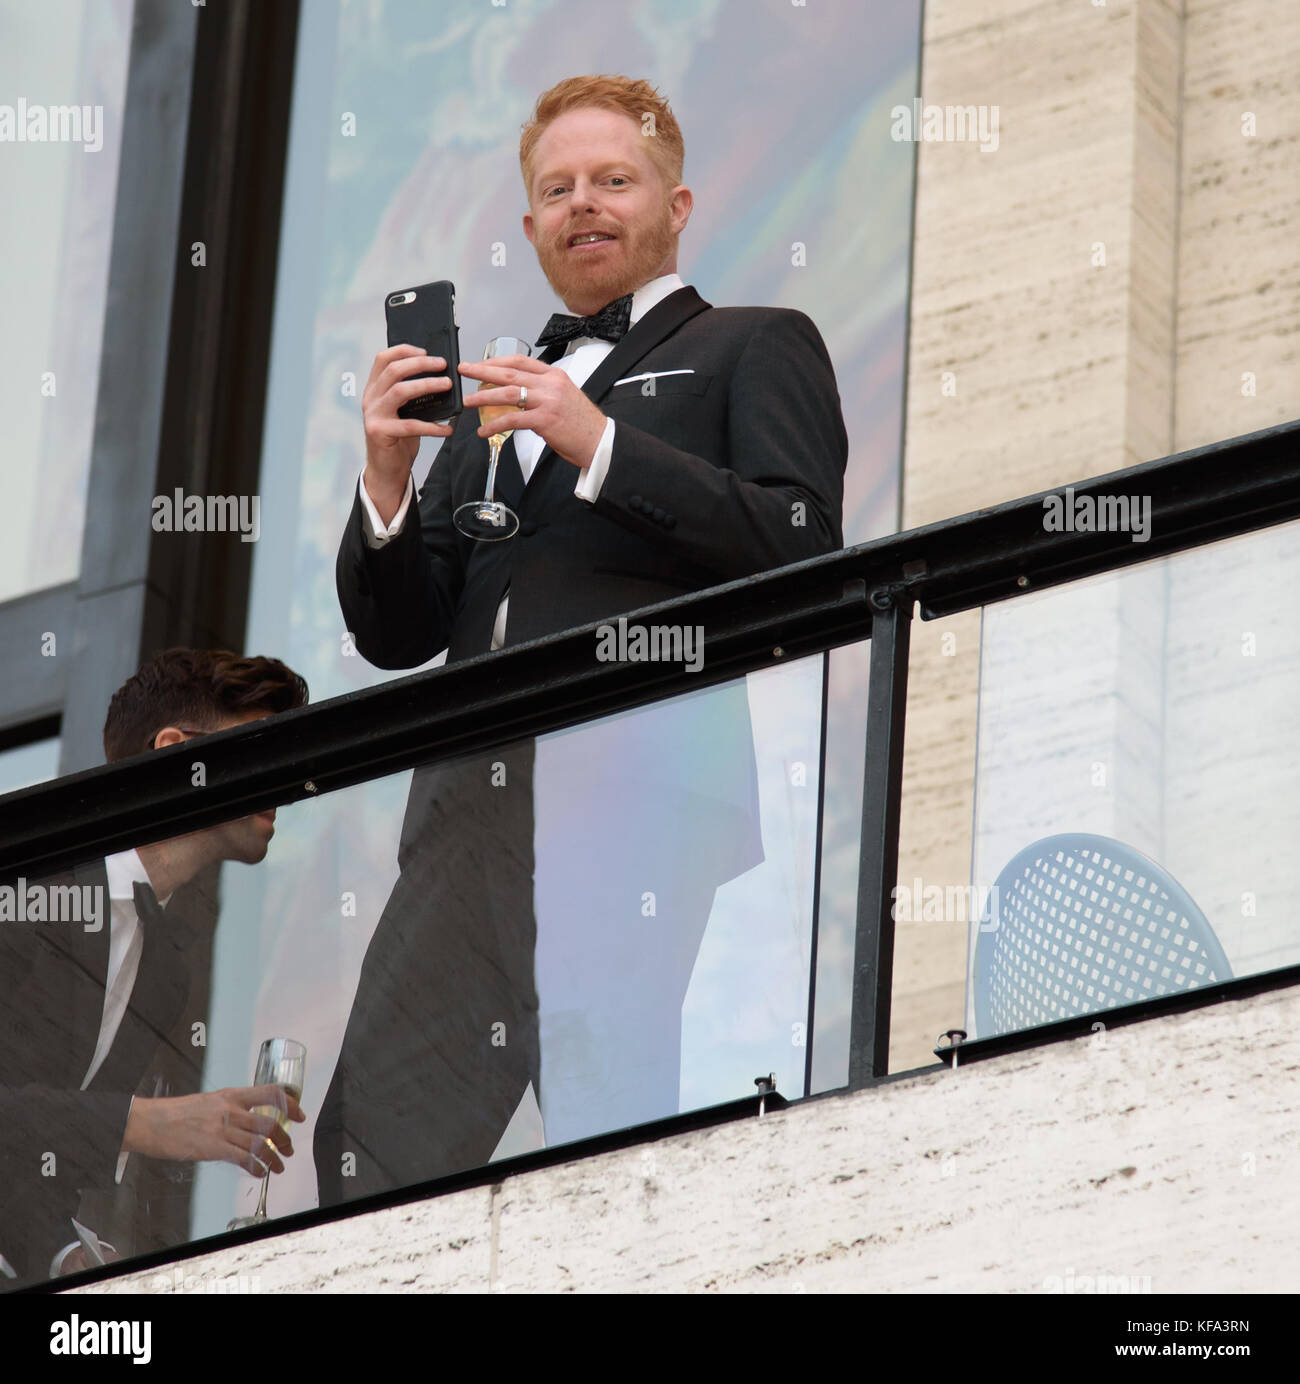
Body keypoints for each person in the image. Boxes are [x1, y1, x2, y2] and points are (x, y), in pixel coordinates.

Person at [317, 74, 847, 1201]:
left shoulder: (756, 342)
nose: (584, 204)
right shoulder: (490, 411)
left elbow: (802, 544)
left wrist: (600, 443)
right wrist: (387, 478)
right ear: (529, 226)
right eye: (557, 188)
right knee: (371, 1140)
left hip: (635, 793)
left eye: (614, 179)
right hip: (464, 817)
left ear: (677, 203)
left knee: (610, 1129)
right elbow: (396, 636)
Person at [0, 648, 309, 1284]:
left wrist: (71, 1256)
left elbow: (26, 1174)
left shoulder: (165, 977)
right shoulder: (24, 876)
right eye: (262, 744)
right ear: (176, 749)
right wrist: (149, 1123)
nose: (287, 777)